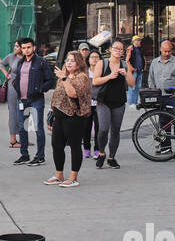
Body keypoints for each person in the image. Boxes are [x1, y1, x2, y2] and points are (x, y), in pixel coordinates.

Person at [43, 50, 90, 187]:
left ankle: (73, 177)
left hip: (74, 117)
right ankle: (59, 175)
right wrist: (51, 113)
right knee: (57, 145)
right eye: (67, 60)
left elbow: (73, 94)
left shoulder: (82, 77)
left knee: (74, 146)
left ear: (79, 63)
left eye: (72, 60)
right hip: (59, 116)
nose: (69, 63)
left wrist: (64, 78)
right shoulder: (64, 76)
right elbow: (57, 95)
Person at [91, 39, 134, 169]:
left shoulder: (125, 64)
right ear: (110, 49)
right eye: (116, 48)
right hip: (103, 101)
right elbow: (95, 81)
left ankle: (112, 158)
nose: (118, 51)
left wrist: (126, 74)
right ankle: (102, 153)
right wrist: (109, 76)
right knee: (103, 129)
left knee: (115, 130)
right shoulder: (102, 63)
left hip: (119, 101)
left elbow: (132, 83)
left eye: (121, 49)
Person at [11, 36, 52, 166]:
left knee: (38, 128)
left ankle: (40, 156)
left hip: (36, 100)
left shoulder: (40, 62)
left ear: (33, 48)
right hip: (22, 100)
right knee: (22, 128)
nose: (26, 50)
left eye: (29, 47)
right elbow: (17, 78)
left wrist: (40, 89)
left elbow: (51, 79)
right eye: (24, 48)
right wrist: (16, 86)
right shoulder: (20, 62)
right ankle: (24, 155)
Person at [147, 39, 175, 149]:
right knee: (163, 121)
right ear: (160, 49)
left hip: (174, 96)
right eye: (165, 51)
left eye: (169, 51)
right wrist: (154, 92)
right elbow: (151, 79)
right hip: (160, 97)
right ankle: (165, 146)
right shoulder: (154, 63)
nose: (167, 53)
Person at [2, 40, 24, 149]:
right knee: (13, 112)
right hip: (13, 87)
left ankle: (24, 138)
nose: (15, 48)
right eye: (15, 46)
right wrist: (6, 74)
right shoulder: (12, 57)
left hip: (25, 88)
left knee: (25, 112)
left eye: (17, 46)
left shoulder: (28, 57)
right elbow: (1, 63)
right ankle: (13, 140)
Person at [84, 50, 103, 158]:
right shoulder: (85, 72)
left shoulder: (102, 72)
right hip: (87, 104)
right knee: (86, 127)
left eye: (97, 57)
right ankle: (86, 148)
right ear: (88, 59)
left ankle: (97, 148)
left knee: (99, 128)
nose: (94, 59)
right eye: (92, 57)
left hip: (99, 103)